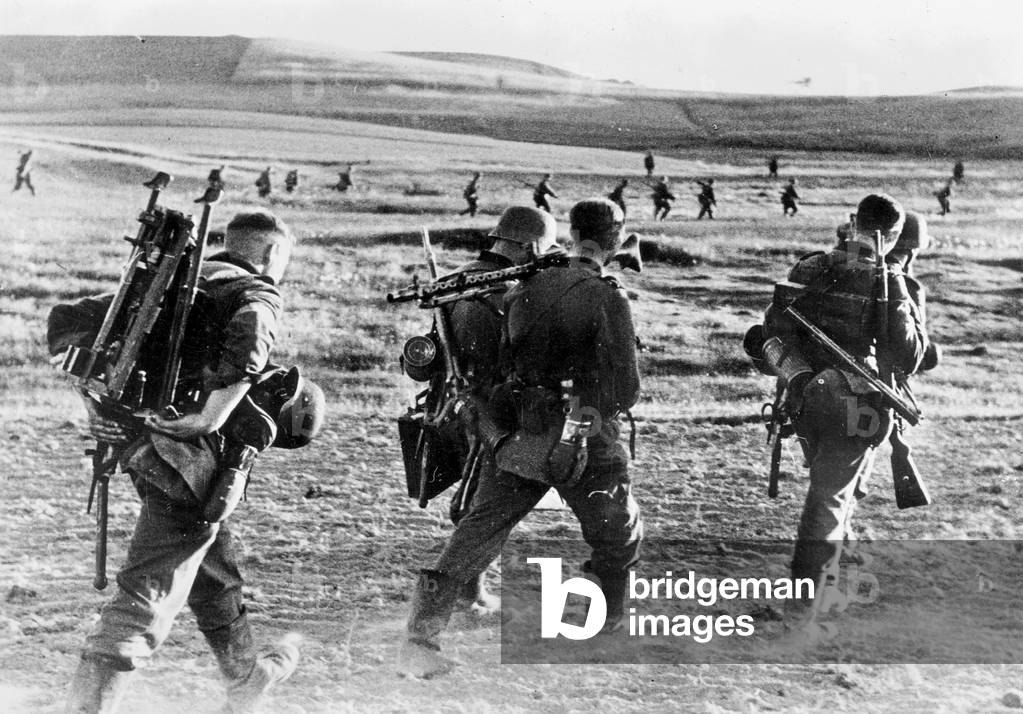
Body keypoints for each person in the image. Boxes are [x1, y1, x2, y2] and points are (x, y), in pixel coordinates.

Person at [51, 210, 309, 713]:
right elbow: (252, 339)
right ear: (273, 254)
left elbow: (67, 320)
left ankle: (246, 679)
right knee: (148, 592)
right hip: (190, 462)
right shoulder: (256, 292)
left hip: (144, 451)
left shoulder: (178, 282)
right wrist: (212, 416)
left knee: (211, 569)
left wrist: (98, 406)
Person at [397, 198, 643, 678]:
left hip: (521, 435)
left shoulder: (520, 288)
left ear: (571, 233)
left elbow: (505, 362)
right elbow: (625, 389)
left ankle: (419, 639)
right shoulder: (608, 296)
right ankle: (604, 629)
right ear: (615, 240)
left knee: (478, 530)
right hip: (585, 438)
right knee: (619, 532)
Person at [757, 194, 929, 633]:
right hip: (857, 410)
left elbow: (772, 337)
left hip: (804, 401)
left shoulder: (810, 268)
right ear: (892, 238)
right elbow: (907, 358)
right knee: (829, 500)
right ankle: (803, 616)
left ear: (853, 223)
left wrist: (799, 379)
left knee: (828, 490)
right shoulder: (891, 281)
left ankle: (821, 587)